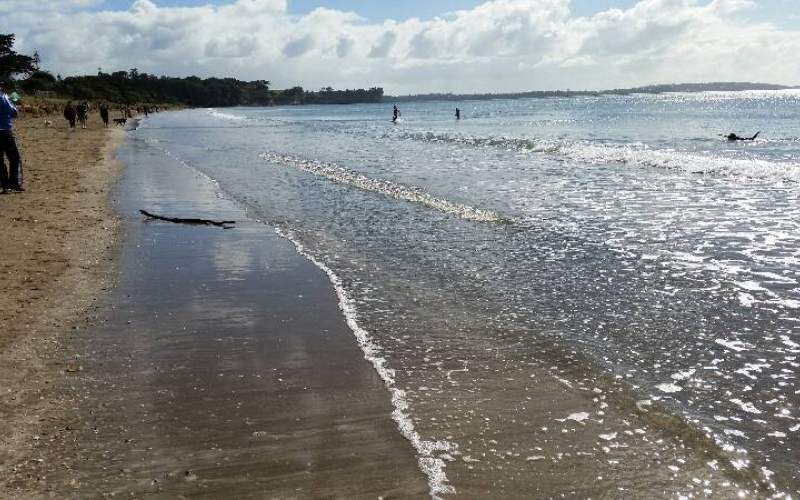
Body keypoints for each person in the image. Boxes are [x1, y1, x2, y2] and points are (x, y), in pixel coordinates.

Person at [0, 85, 23, 193]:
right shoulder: (3, 97)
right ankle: (14, 182)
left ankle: (5, 185)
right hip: (4, 131)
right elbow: (14, 112)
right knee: (14, 157)